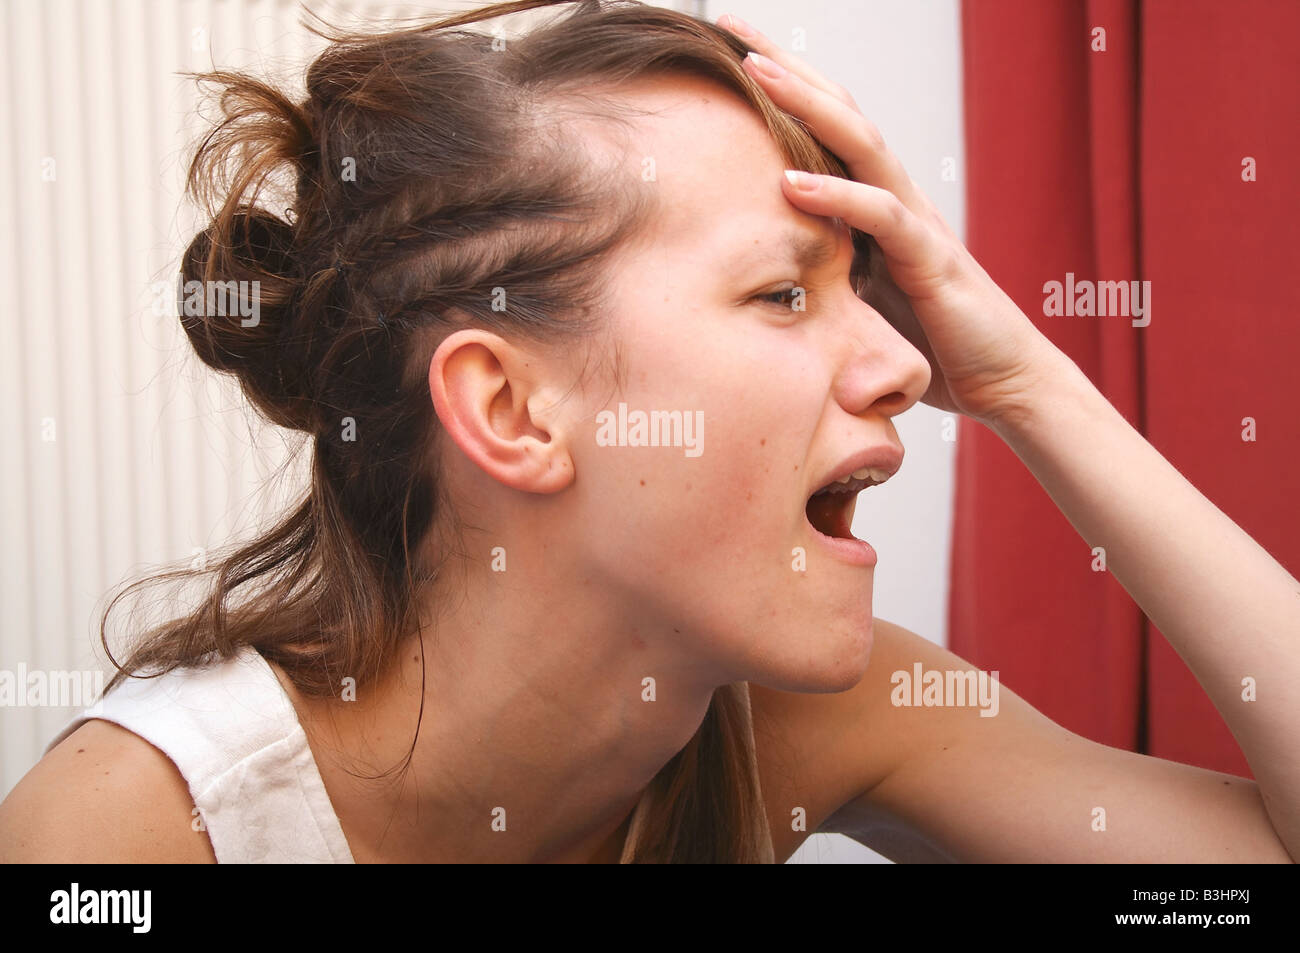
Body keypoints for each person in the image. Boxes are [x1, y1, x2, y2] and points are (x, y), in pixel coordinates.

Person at [0, 0, 1295, 863]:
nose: (910, 364)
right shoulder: (133, 828)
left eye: (870, 289)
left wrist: (1028, 381)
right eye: (786, 292)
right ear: (510, 408)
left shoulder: (805, 721)